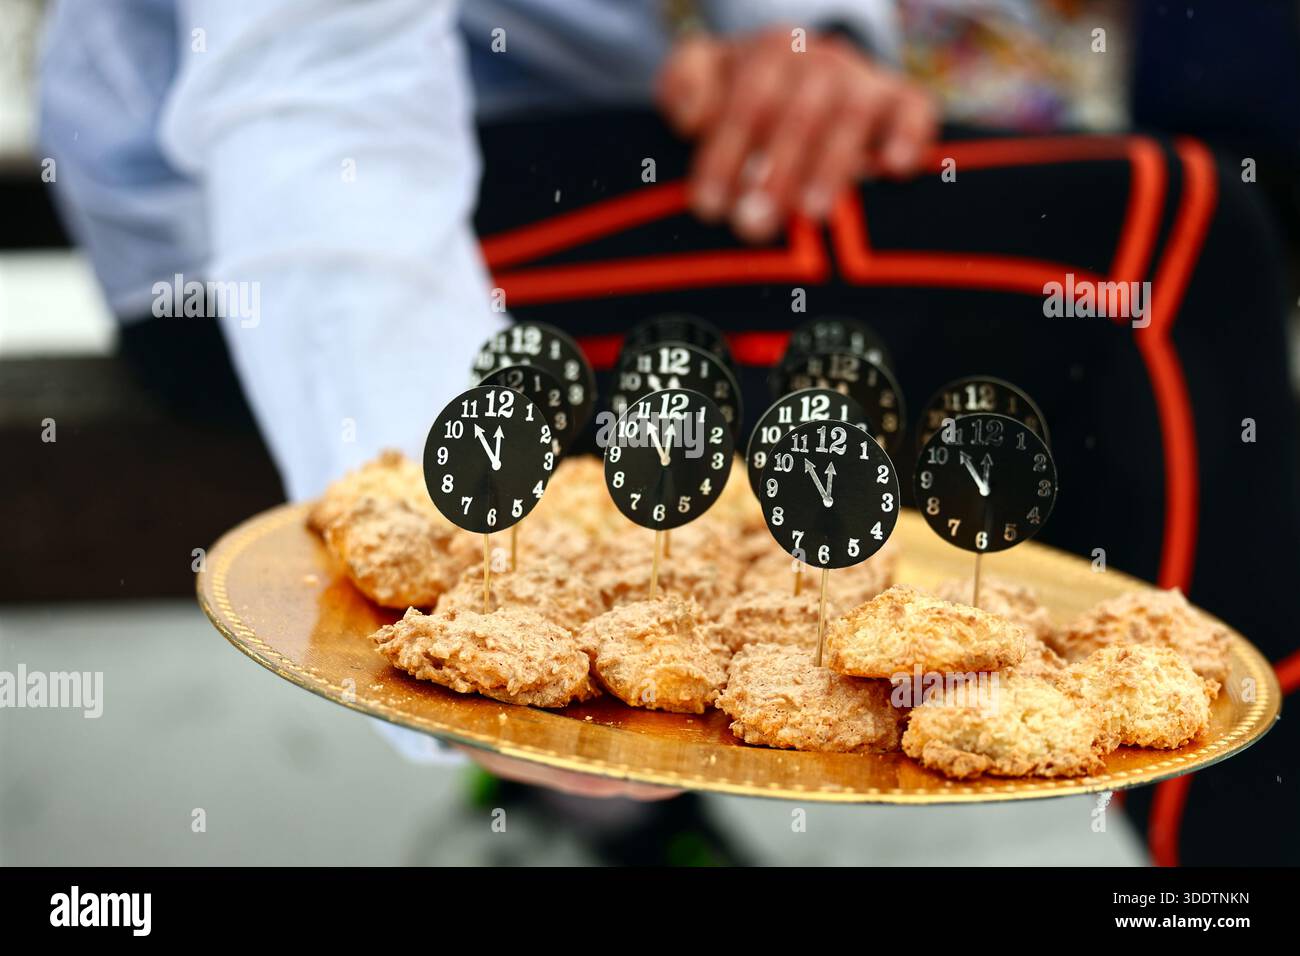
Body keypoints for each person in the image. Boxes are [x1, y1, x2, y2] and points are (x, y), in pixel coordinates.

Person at [39, 1, 1300, 864]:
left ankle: (613, 839)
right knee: (1164, 239)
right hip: (261, 225)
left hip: (595, 132)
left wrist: (799, 40)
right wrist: (471, 615)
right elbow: (311, 95)